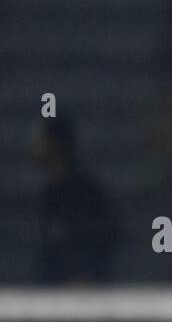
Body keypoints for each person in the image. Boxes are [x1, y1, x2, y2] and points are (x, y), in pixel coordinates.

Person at [31, 116, 121, 284]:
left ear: (55, 143)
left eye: (40, 140)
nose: (34, 146)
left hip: (79, 295)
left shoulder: (84, 192)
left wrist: (85, 273)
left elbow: (109, 234)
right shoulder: (50, 192)